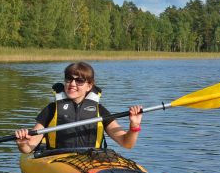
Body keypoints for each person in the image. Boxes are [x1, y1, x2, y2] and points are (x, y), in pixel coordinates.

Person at [14, 61, 143, 154]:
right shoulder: (51, 109)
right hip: (57, 161)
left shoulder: (100, 111)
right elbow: (28, 148)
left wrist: (134, 127)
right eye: (69, 79)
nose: (72, 84)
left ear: (89, 86)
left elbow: (127, 143)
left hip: (91, 160)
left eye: (79, 81)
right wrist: (22, 143)